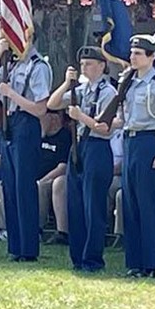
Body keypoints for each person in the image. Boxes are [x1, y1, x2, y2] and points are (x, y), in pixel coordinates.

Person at [97, 34, 155, 278]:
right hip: (130, 141)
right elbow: (124, 117)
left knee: (148, 205)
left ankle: (151, 263)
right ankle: (134, 262)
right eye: (132, 53)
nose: (132, 57)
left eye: (138, 53)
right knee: (130, 204)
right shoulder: (130, 83)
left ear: (152, 57)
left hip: (149, 142)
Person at [0, 37, 53, 262]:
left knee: (23, 187)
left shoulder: (38, 66)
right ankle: (15, 246)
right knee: (9, 187)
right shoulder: (12, 65)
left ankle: (28, 248)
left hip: (27, 124)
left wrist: (11, 95)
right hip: (9, 125)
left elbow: (41, 108)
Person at [47, 46, 118, 272]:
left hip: (97, 147)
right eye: (82, 64)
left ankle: (93, 258)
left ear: (101, 65)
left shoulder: (108, 92)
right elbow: (52, 103)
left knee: (92, 205)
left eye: (89, 63)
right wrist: (67, 84)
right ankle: (77, 256)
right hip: (79, 147)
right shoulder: (82, 88)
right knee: (75, 203)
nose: (84, 67)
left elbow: (105, 127)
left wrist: (80, 117)